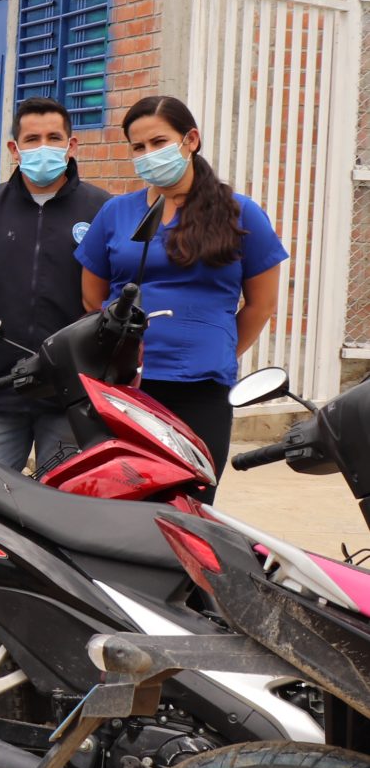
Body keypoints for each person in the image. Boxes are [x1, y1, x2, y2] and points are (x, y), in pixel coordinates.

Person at [77, 95, 285, 480]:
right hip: (124, 386)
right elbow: (93, 296)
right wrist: (119, 347)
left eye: (159, 142)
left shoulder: (239, 213)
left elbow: (261, 304)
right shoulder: (115, 213)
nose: (148, 154)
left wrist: (218, 347)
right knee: (123, 499)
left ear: (190, 140)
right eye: (138, 147)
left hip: (200, 387)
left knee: (190, 501)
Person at [0, 97, 112, 472]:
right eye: (32, 139)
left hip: (73, 393)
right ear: (15, 148)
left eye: (53, 137)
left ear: (72, 145)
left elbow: (117, 296)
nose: (43, 147)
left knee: (63, 504)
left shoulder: (101, 211)